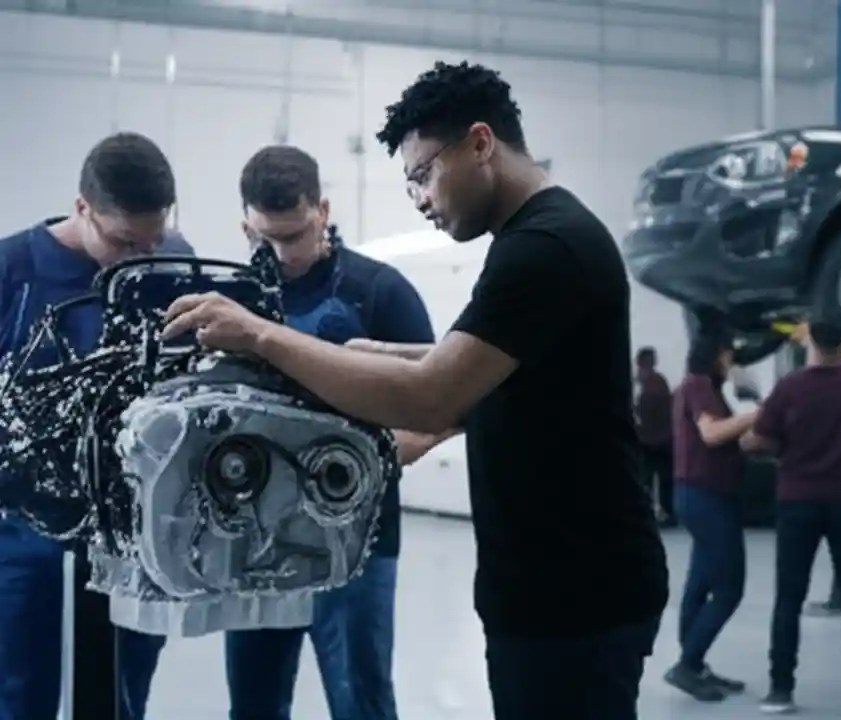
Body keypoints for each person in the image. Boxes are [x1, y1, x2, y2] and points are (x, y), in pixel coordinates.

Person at [159, 61, 669, 720]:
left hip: (575, 591)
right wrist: (376, 353)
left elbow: (435, 397)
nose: (421, 197)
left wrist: (258, 336)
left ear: (481, 143)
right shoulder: (538, 237)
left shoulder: (544, 248)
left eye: (423, 173)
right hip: (551, 582)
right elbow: (497, 371)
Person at [222, 144, 444, 720]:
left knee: (361, 702)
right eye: (262, 238)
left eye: (293, 235)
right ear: (244, 222)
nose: (279, 254)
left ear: (321, 209)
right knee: (253, 705)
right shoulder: (233, 302)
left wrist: (375, 461)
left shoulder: (380, 292)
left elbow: (440, 407)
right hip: (254, 543)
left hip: (358, 542)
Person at [0, 131, 188, 720]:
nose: (140, 258)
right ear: (82, 208)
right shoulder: (12, 270)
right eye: (125, 242)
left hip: (134, 538)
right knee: (19, 690)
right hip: (24, 536)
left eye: (153, 240)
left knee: (119, 695)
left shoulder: (172, 265)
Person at [741, 320, 841, 715]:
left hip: (797, 500)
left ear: (810, 340)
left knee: (789, 597)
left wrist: (756, 444)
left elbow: (763, 436)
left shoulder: (789, 386)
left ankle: (780, 690)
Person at [662, 332, 756, 702]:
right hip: (708, 498)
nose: (732, 362)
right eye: (730, 356)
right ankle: (687, 665)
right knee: (730, 588)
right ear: (718, 354)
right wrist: (759, 414)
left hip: (699, 495)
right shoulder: (699, 384)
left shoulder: (702, 387)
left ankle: (694, 664)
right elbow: (712, 433)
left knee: (700, 584)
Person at [635, 346, 676, 526]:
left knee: (646, 480)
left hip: (647, 440)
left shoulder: (642, 383)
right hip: (662, 440)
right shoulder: (657, 381)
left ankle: (649, 513)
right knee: (663, 479)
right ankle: (666, 513)